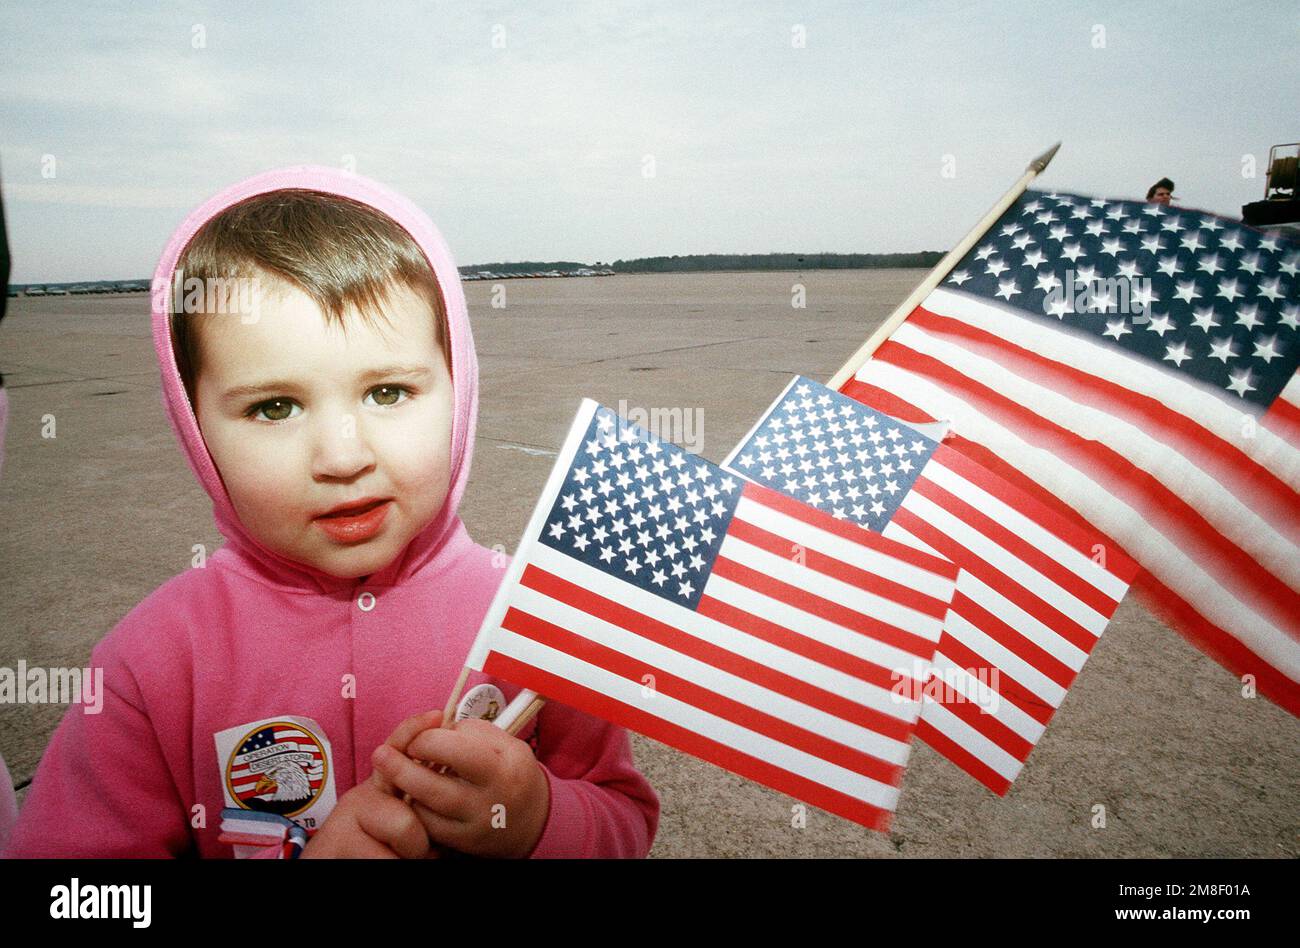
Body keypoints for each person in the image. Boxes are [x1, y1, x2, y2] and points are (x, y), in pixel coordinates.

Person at [3, 166, 658, 858]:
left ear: (459, 390)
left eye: (387, 392)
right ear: (195, 429)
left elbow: (623, 819)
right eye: (274, 407)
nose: (342, 458)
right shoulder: (152, 665)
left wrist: (538, 820)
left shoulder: (536, 626)